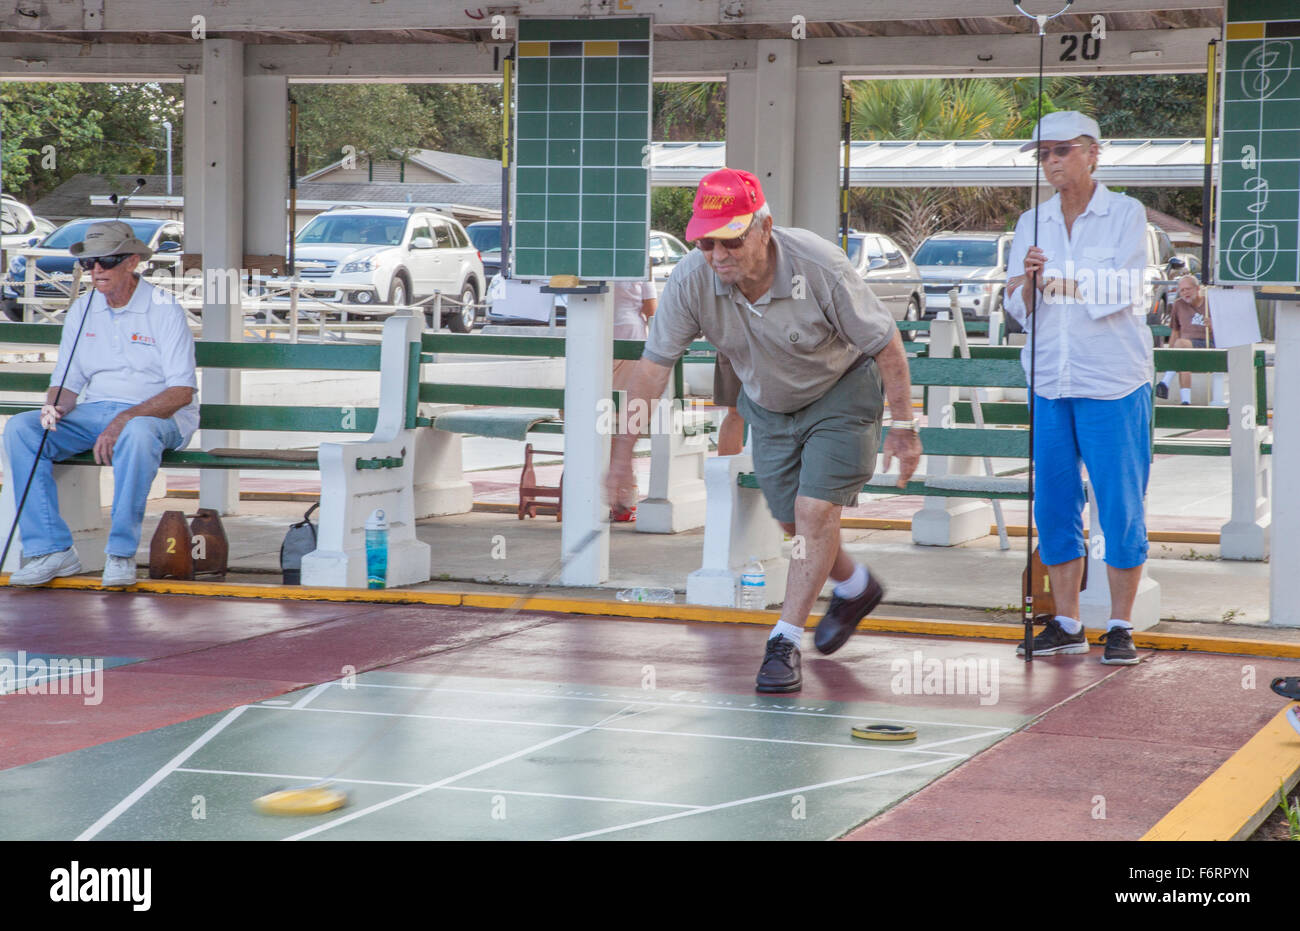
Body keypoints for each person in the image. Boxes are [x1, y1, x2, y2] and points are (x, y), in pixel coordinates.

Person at [606, 167, 921, 693]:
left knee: (814, 511)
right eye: (706, 241)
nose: (717, 254)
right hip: (768, 404)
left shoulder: (819, 266)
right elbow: (653, 369)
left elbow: (886, 343)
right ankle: (857, 586)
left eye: (730, 239)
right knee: (797, 528)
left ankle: (783, 642)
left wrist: (904, 425)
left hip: (840, 391)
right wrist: (621, 458)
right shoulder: (691, 279)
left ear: (764, 227)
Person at [1004, 111, 1151, 666]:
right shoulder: (1030, 220)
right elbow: (1016, 303)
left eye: (1060, 150)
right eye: (1042, 154)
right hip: (1048, 378)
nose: (1051, 162)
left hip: (1112, 379)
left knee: (1120, 504)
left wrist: (1053, 280)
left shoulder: (1126, 214)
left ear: (1092, 153)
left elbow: (1122, 289)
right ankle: (1065, 621)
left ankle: (1119, 624)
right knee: (1055, 503)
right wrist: (1029, 284)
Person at [2, 220, 199, 589]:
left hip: (158, 415)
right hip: (96, 412)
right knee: (22, 429)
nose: (95, 271)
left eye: (105, 261)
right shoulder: (82, 309)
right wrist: (52, 407)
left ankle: (121, 553)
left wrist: (123, 419)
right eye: (87, 263)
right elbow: (67, 382)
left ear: (132, 261)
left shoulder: (163, 308)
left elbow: (181, 392)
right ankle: (51, 550)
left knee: (137, 433)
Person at [609, 278, 657, 521]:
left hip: (598, 332)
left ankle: (608, 494)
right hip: (631, 335)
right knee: (622, 419)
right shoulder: (639, 259)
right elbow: (651, 309)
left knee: (604, 418)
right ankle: (624, 501)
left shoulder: (596, 258)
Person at [1156, 275, 1211, 405]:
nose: (1185, 293)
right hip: (1186, 347)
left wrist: (1212, 325)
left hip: (1206, 343)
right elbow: (1175, 331)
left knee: (1181, 345)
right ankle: (1186, 402)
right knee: (1182, 358)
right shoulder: (1178, 305)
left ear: (1197, 289)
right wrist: (1170, 354)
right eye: (1182, 290)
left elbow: (1222, 329)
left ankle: (1165, 382)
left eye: (1188, 289)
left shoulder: (1209, 303)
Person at [713, 352, 745, 456]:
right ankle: (726, 467)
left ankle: (726, 469)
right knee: (735, 413)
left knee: (735, 413)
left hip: (732, 347)